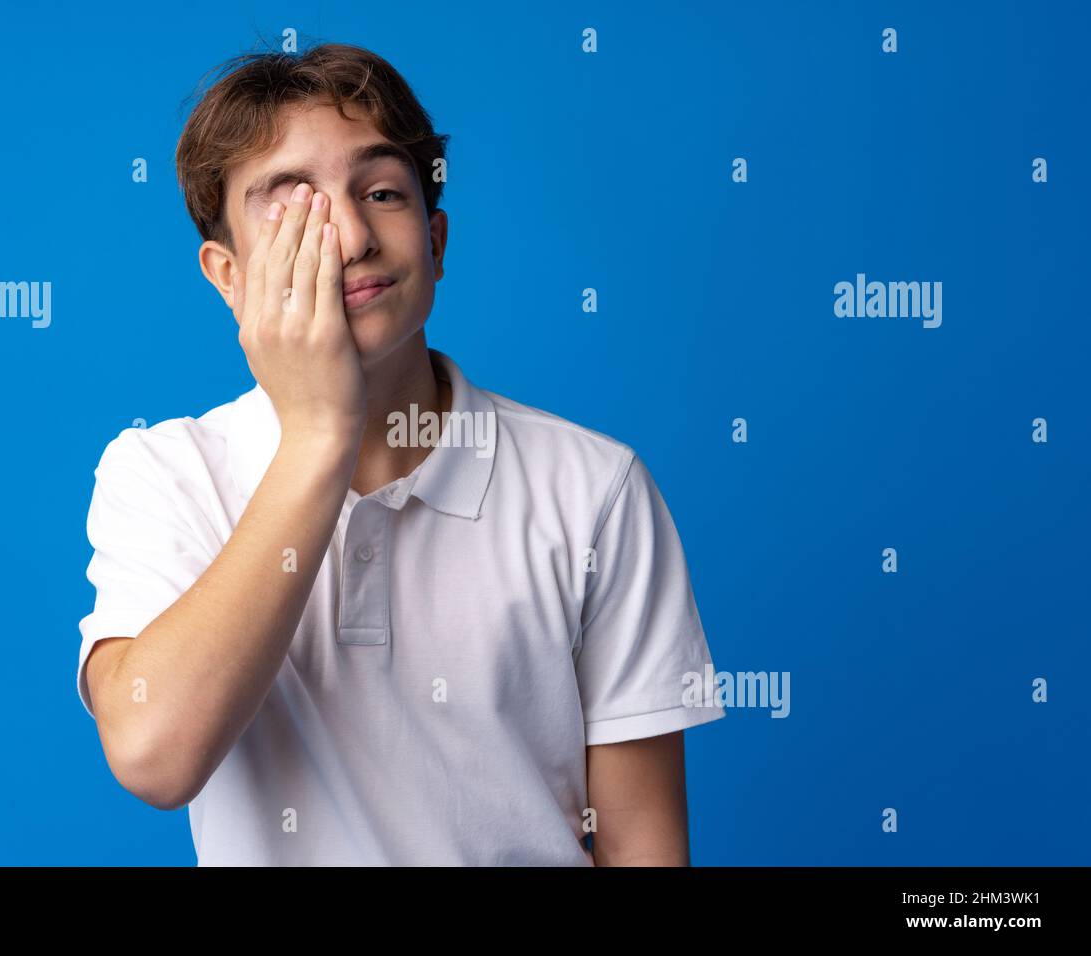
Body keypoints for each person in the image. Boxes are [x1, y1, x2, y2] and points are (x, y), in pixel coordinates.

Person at [76, 41, 726, 866]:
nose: (350, 237)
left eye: (382, 193)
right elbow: (153, 755)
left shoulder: (594, 488)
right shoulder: (165, 473)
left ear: (436, 237)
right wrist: (318, 435)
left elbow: (642, 846)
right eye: (296, 212)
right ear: (229, 277)